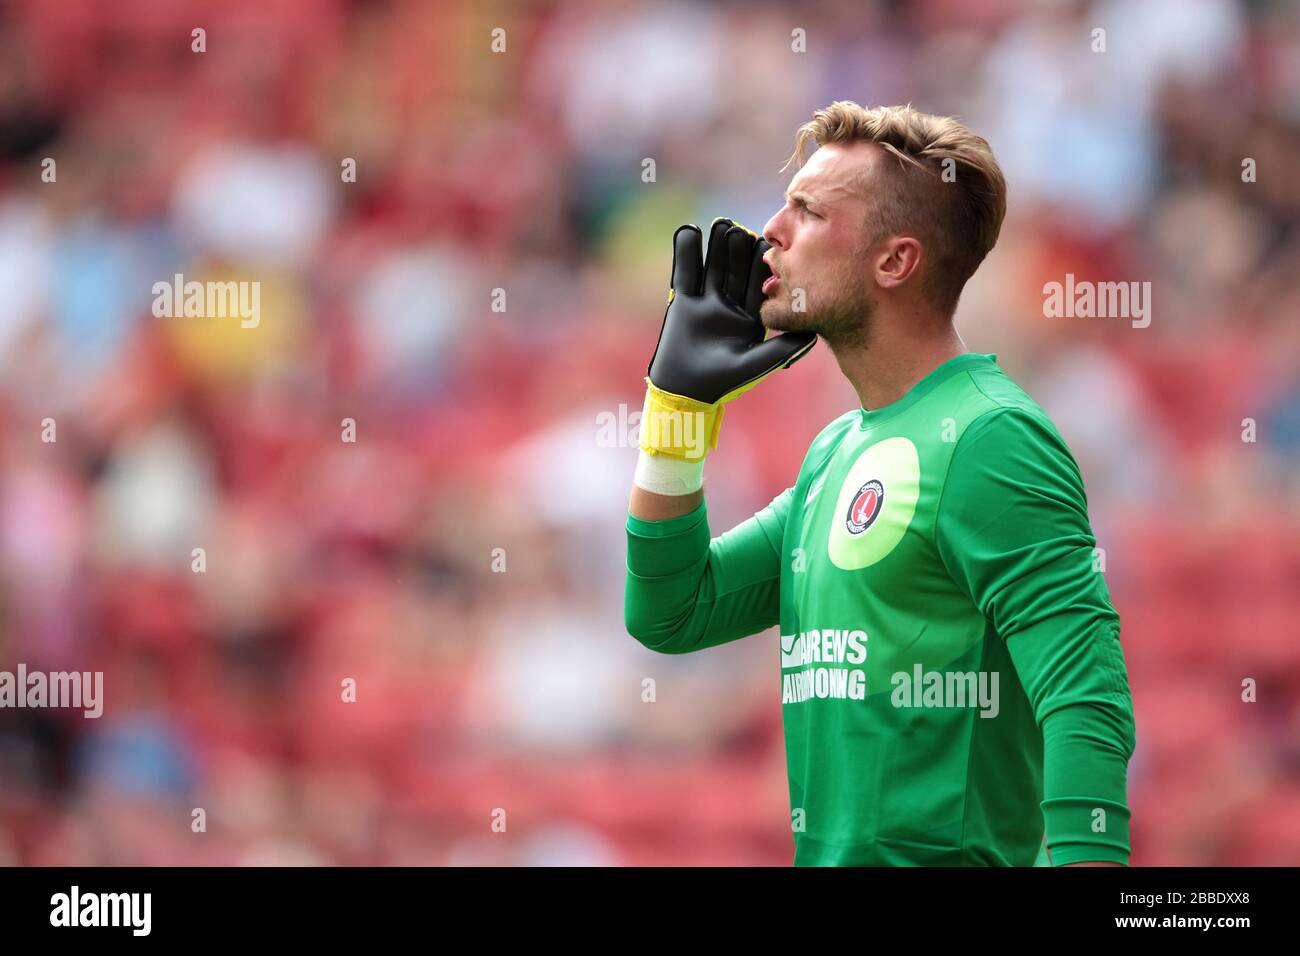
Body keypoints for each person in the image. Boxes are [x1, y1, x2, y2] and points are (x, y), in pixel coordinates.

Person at [624, 101, 1136, 866]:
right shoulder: (837, 449)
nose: (771, 230)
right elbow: (673, 609)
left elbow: (1083, 701)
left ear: (894, 262)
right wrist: (677, 414)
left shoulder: (991, 436)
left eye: (808, 211)